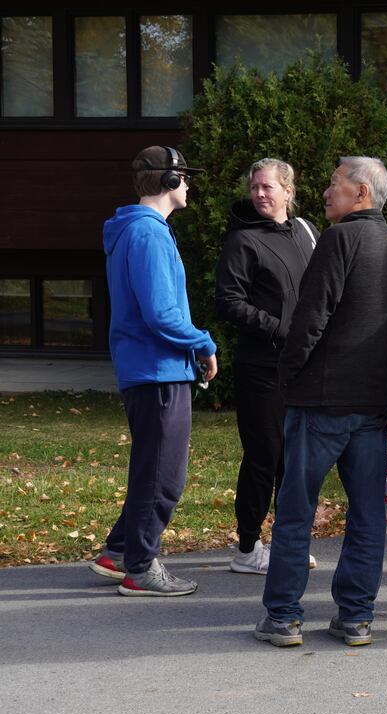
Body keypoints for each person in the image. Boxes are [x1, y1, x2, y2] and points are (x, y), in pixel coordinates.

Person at [255, 156, 387, 647]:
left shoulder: (338, 240)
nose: (326, 191)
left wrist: (289, 377)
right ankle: (356, 616)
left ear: (361, 193)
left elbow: (310, 319)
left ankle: (284, 616)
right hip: (371, 405)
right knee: (366, 514)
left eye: (335, 183)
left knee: (297, 511)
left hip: (320, 402)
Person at [92, 145, 217, 597]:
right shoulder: (148, 234)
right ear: (170, 180)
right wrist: (203, 343)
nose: (189, 184)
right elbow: (161, 314)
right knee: (165, 476)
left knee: (152, 467)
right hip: (158, 370)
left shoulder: (136, 229)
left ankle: (120, 551)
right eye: (185, 176)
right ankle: (141, 568)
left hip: (149, 369)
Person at [215, 158, 318, 574]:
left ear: (288, 191)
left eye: (267, 187)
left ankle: (288, 542)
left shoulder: (307, 231)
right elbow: (229, 302)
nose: (259, 193)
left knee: (295, 460)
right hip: (261, 368)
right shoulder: (242, 240)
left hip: (303, 367)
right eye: (254, 187)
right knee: (264, 455)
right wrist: (280, 329)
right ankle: (247, 548)